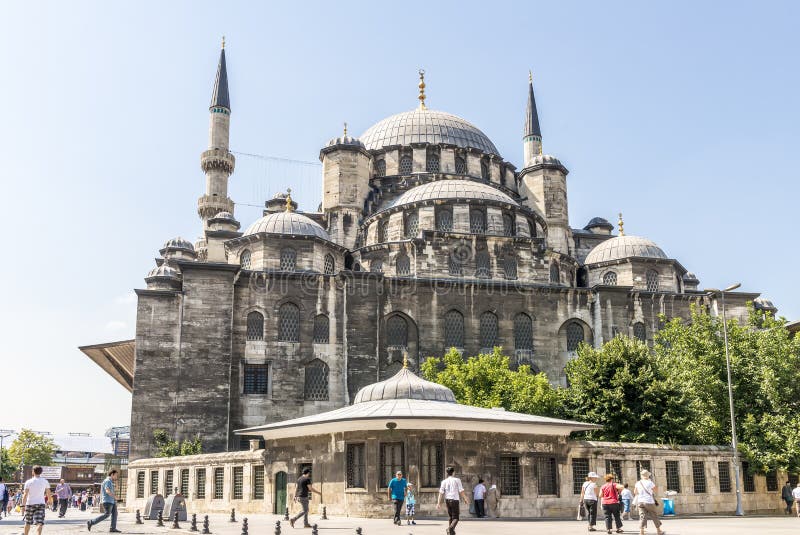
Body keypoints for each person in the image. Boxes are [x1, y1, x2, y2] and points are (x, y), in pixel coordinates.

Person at [437, 466, 469, 535]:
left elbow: (441, 493)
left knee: (451, 517)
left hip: (447, 500)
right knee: (456, 518)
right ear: (453, 472)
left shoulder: (444, 481)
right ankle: (450, 528)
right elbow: (461, 491)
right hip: (454, 500)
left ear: (447, 473)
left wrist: (438, 503)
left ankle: (451, 532)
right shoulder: (457, 480)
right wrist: (465, 499)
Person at [21, 465, 52, 535]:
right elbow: (48, 493)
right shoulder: (45, 481)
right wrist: (50, 501)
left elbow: (25, 495)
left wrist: (23, 505)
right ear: (41, 472)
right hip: (41, 504)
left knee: (28, 522)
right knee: (39, 523)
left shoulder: (28, 482)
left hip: (30, 504)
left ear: (33, 472)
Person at [634, 469, 664, 535]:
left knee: (642, 516)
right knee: (654, 515)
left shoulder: (638, 483)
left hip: (640, 501)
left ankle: (641, 531)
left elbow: (635, 492)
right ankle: (659, 531)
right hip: (649, 501)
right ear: (648, 476)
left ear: (641, 476)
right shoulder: (650, 482)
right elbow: (655, 490)